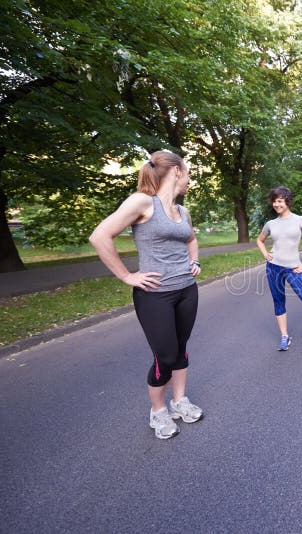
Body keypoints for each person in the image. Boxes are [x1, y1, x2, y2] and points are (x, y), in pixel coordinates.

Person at [89, 150, 204, 440]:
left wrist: (196, 262)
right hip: (156, 295)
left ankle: (179, 402)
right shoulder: (142, 202)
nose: (190, 180)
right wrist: (127, 275)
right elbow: (100, 236)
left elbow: (191, 239)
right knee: (164, 355)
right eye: (188, 173)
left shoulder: (183, 211)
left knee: (181, 347)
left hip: (186, 290)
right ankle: (158, 411)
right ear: (176, 171)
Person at [257, 186, 302, 353]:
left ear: (287, 201)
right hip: (274, 268)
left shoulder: (300, 220)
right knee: (278, 301)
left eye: (279, 201)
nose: (276, 204)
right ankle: (284, 336)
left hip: (294, 268)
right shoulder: (270, 224)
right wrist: (265, 253)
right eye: (274, 201)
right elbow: (260, 240)